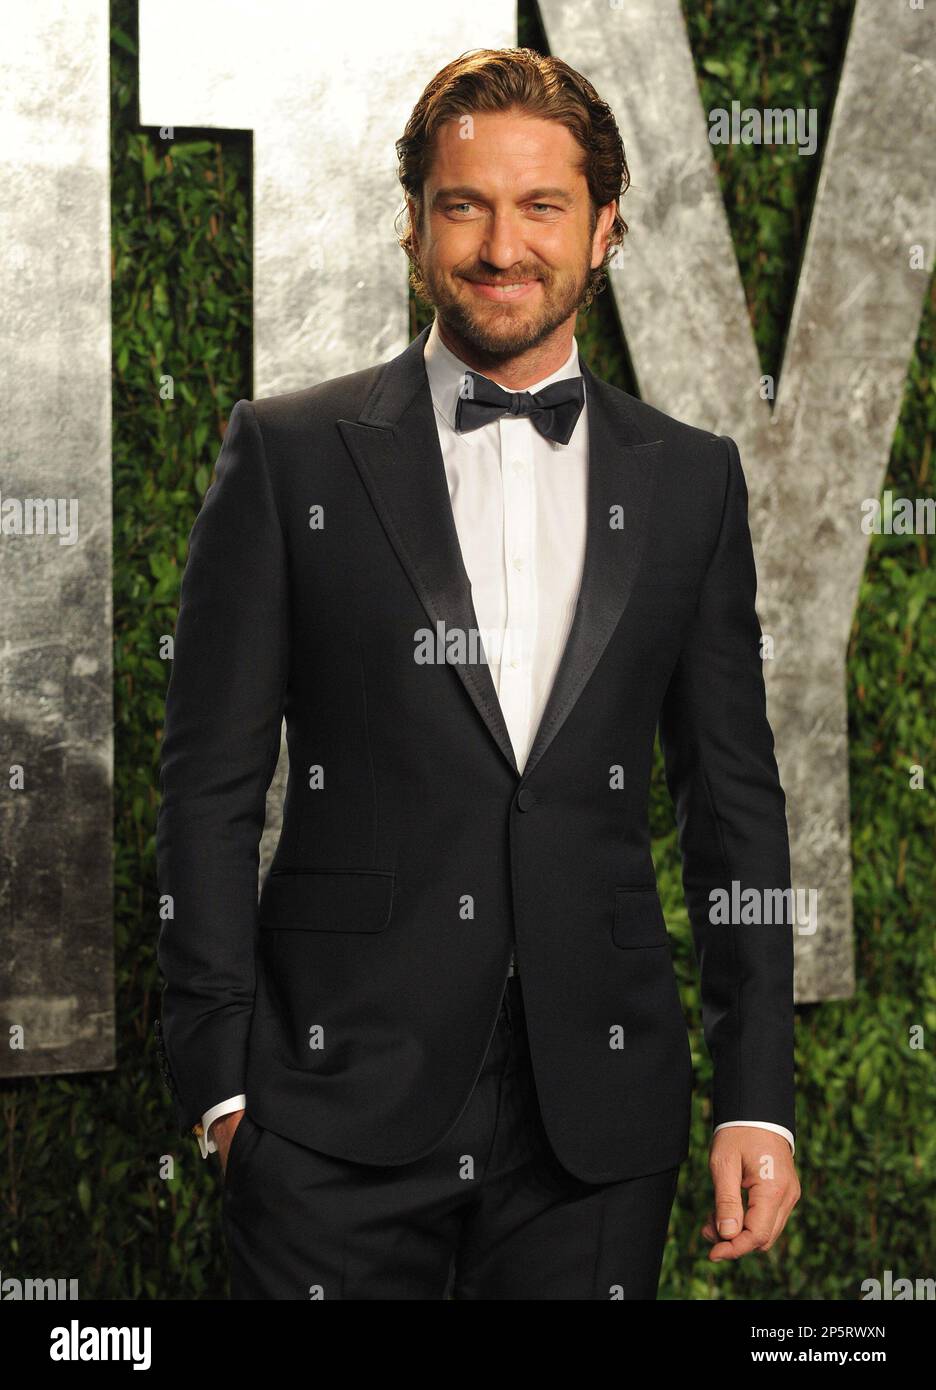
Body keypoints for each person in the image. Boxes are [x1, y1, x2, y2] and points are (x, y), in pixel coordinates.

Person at [155, 46, 800, 1300]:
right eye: (465, 205)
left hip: (594, 1128)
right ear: (414, 228)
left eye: (542, 206)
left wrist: (757, 1098)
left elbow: (734, 802)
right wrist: (224, 1090)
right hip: (328, 1114)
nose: (502, 245)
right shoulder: (289, 456)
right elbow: (207, 789)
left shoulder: (692, 479)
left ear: (605, 228)